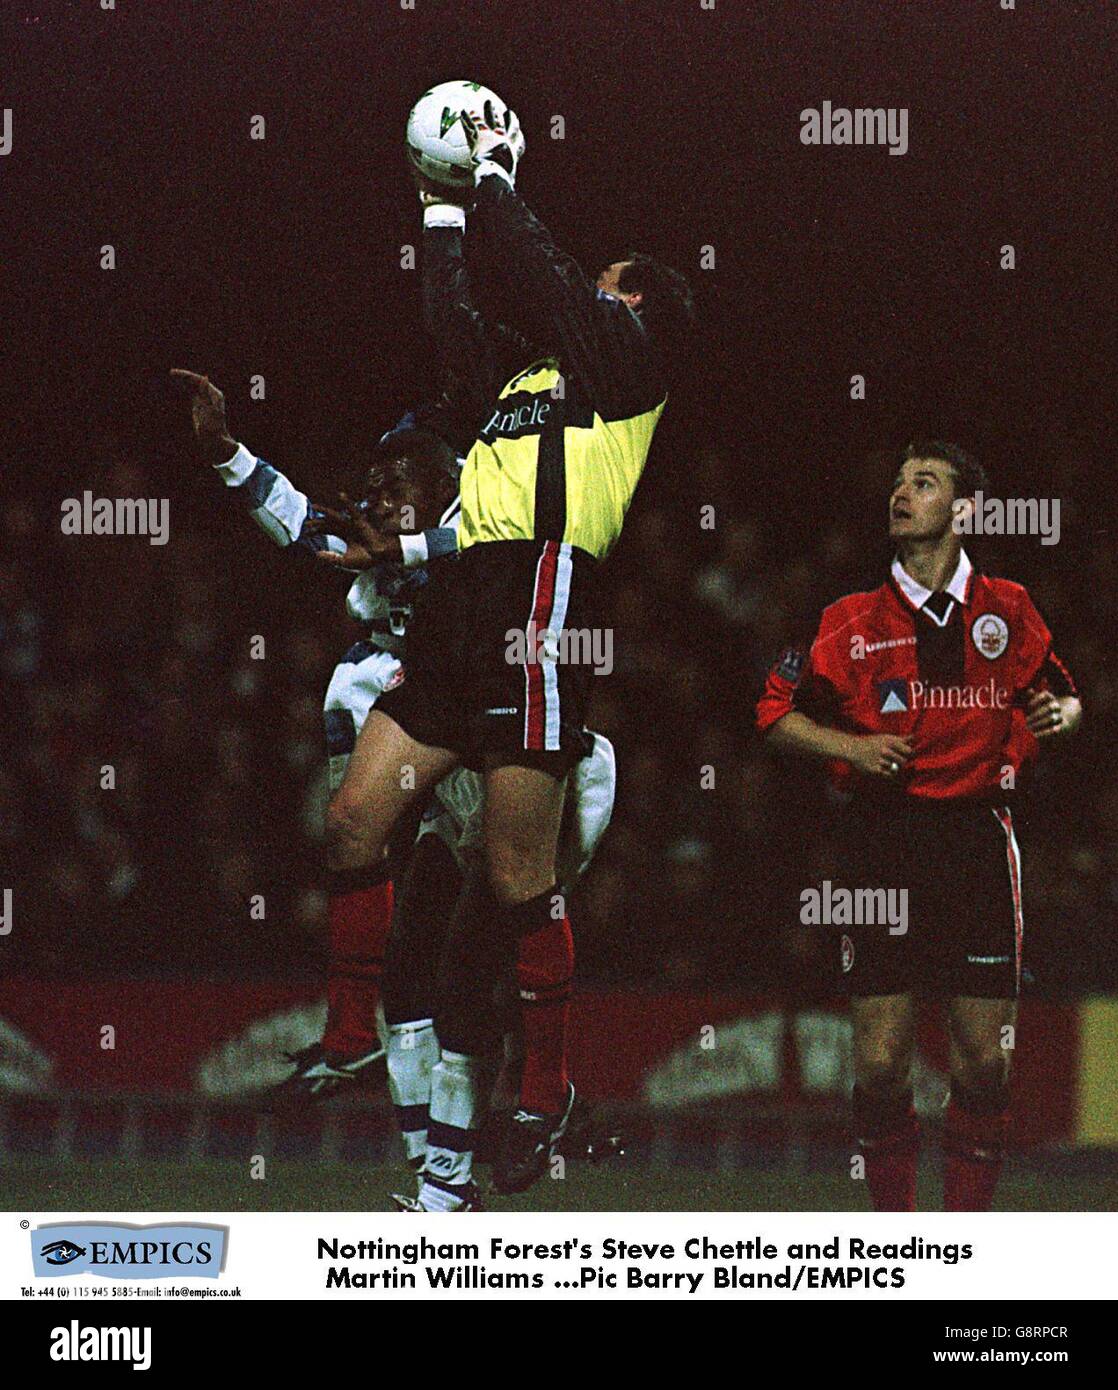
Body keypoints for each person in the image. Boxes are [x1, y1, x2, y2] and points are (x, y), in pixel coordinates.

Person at [327, 102, 693, 1209]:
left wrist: (496, 179)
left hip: (540, 592)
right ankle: (351, 1032)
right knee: (351, 821)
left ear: (634, 307)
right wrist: (441, 216)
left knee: (512, 876)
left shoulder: (623, 374)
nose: (589, 291)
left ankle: (545, 1090)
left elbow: (546, 283)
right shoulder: (528, 383)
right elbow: (455, 329)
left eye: (607, 281)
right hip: (457, 604)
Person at [756, 441, 1081, 1211]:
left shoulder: (1010, 607)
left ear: (963, 512)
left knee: (980, 1068)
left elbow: (1067, 698)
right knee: (879, 1066)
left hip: (975, 843)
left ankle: (961, 1245)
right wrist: (852, 747)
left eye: (924, 484)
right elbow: (772, 713)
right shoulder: (847, 619)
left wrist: (1057, 718)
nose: (902, 494)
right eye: (898, 482)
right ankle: (898, 1245)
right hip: (882, 843)